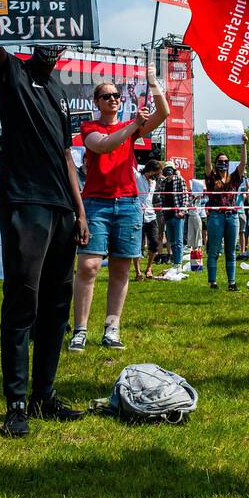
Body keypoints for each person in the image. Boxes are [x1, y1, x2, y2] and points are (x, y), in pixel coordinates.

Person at [0, 42, 89, 437]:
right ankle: (15, 405)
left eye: (59, 41)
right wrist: (1, 1)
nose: (53, 47)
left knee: (56, 309)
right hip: (25, 203)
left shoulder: (60, 91)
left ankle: (43, 396)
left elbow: (66, 157)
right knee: (21, 303)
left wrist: (80, 212)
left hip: (62, 207)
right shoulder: (12, 71)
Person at [71, 73, 169, 349]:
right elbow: (104, 146)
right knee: (88, 266)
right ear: (97, 102)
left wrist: (153, 83)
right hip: (96, 203)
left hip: (127, 202)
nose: (113, 99)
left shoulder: (130, 125)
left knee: (121, 269)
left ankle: (111, 328)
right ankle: (80, 329)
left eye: (116, 95)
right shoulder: (89, 127)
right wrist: (133, 126)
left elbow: (164, 112)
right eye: (107, 96)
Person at [203, 136, 248, 290]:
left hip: (232, 217)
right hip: (216, 217)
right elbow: (207, 163)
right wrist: (208, 144)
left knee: (231, 252)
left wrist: (244, 144)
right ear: (216, 164)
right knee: (214, 250)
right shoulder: (211, 178)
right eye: (220, 161)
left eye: (225, 161)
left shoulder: (234, 178)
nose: (223, 164)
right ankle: (212, 282)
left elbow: (243, 163)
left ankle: (232, 283)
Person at [133, 160, 161, 281]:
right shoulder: (138, 176)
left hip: (151, 215)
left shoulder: (154, 182)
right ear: (150, 170)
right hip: (138, 214)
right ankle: (138, 272)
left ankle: (149, 268)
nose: (158, 175)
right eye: (156, 172)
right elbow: (129, 165)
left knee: (154, 243)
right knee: (138, 246)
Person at [154, 162, 187, 266]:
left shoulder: (179, 179)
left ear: (174, 170)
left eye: (170, 169)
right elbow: (162, 199)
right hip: (168, 215)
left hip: (178, 214)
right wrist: (163, 214)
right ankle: (175, 262)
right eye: (167, 169)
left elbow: (185, 195)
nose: (168, 171)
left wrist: (182, 211)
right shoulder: (163, 182)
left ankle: (178, 263)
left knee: (178, 241)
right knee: (171, 240)